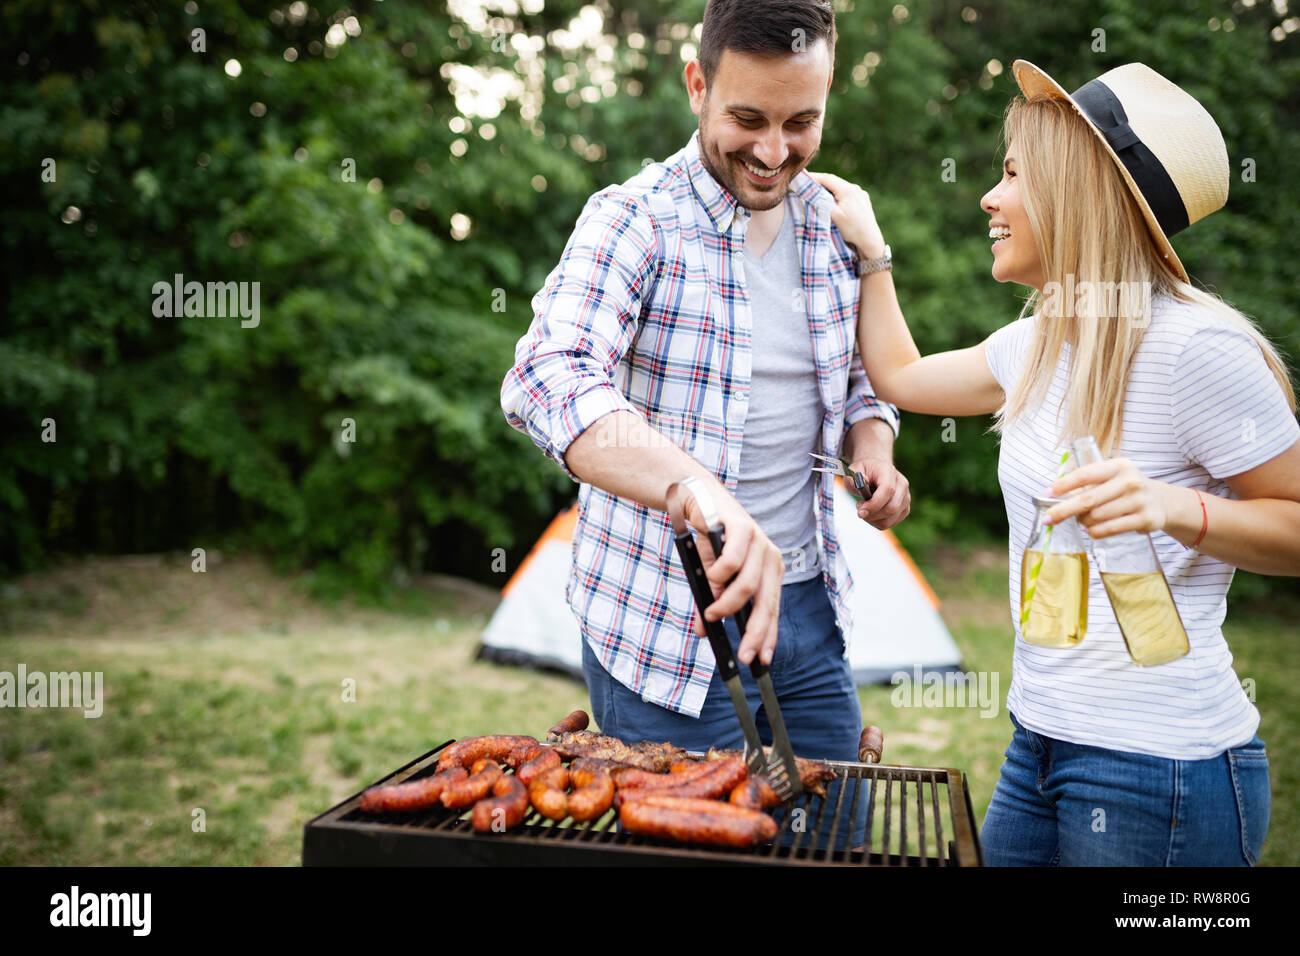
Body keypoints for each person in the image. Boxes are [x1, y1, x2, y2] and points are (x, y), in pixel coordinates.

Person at [810, 60, 1300, 865]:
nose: (988, 198)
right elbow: (899, 377)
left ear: (1076, 192)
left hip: (1162, 770)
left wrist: (1174, 508)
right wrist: (872, 250)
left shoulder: (1197, 350)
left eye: (1012, 175)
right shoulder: (1037, 343)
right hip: (1037, 743)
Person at [501, 0, 907, 836]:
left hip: (808, 614)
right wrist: (696, 488)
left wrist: (877, 450)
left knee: (835, 846)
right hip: (663, 626)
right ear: (697, 85)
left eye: (801, 122)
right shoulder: (633, 219)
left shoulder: (835, 229)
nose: (772, 151)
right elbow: (547, 376)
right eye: (747, 118)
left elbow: (868, 383)